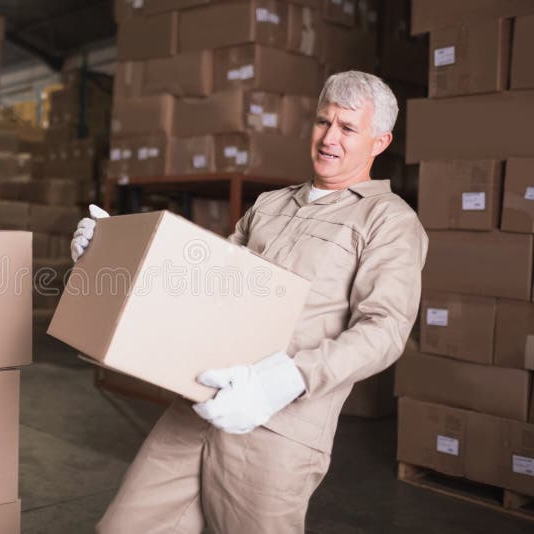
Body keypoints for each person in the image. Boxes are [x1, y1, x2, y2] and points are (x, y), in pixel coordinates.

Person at [70, 70, 428, 533]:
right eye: (323, 122)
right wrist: (110, 255)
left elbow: (385, 331)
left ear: (380, 141)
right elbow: (206, 284)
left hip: (279, 426)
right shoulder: (270, 205)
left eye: (347, 128)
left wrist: (282, 381)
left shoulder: (389, 221)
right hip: (199, 399)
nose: (328, 138)